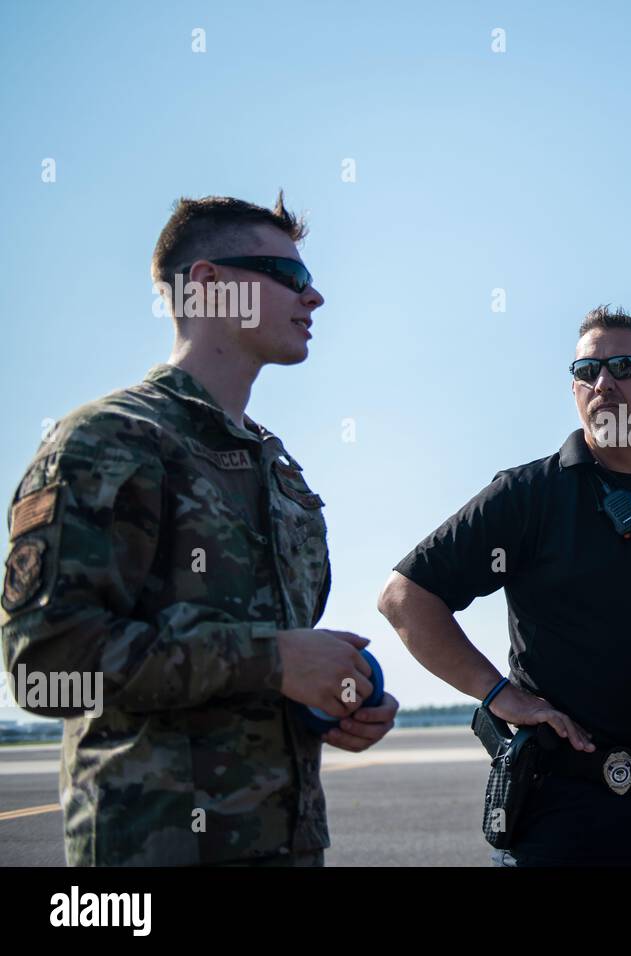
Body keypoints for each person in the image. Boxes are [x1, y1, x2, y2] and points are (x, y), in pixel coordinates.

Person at [1, 193, 398, 866]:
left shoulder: (280, 470)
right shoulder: (111, 440)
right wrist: (270, 660)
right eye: (291, 278)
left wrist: (328, 701)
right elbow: (43, 662)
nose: (316, 297)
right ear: (211, 285)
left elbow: (253, 674)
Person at [378, 305, 631, 866]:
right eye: (586, 371)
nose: (603, 383)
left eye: (623, 366)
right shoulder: (528, 496)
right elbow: (405, 597)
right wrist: (500, 694)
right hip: (563, 808)